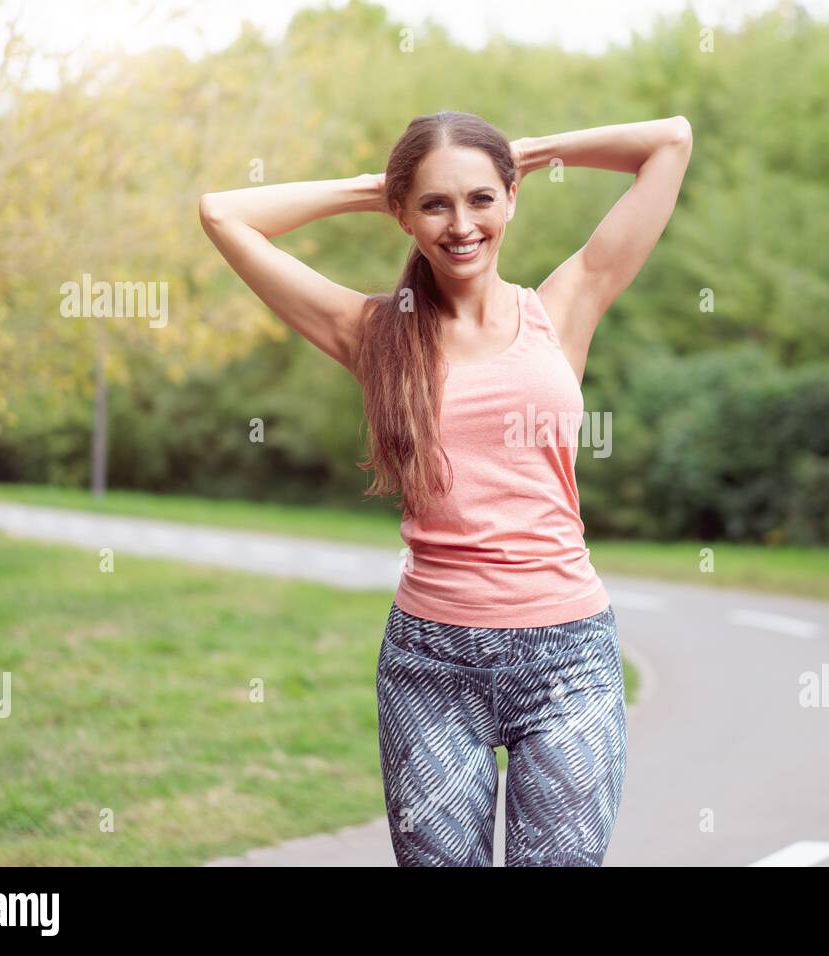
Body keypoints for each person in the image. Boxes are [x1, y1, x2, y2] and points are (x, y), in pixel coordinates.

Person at [198, 110, 693, 865]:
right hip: (430, 667)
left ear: (511, 199)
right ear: (405, 215)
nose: (461, 225)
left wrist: (527, 152)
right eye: (434, 204)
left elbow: (671, 141)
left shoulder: (565, 306)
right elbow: (224, 213)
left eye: (481, 199)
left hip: (568, 658)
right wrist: (379, 188)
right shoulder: (372, 333)